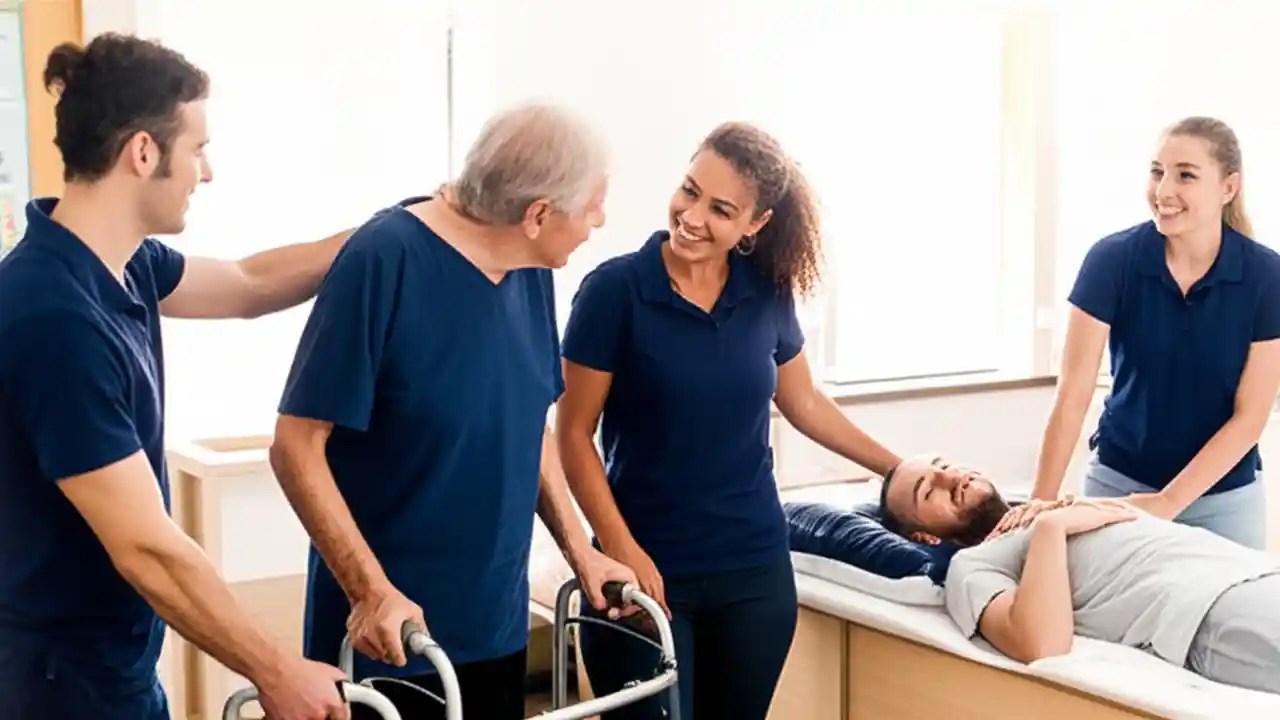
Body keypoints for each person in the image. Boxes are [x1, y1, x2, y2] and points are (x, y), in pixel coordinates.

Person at [0, 34, 356, 720]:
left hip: (113, 665)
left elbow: (250, 284)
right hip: (58, 685)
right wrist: (275, 669)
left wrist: (387, 231)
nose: (207, 171)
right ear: (142, 152)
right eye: (197, 149)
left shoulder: (118, 263)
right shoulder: (52, 317)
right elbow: (148, 548)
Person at [268, 102, 639, 720]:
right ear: (537, 214)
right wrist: (370, 590)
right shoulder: (383, 258)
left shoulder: (531, 267)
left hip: (493, 624)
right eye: (593, 205)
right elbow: (294, 445)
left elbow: (529, 422)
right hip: (388, 636)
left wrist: (582, 549)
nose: (599, 220)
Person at [557, 121, 905, 719]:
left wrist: (898, 468)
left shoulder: (768, 292)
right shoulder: (615, 291)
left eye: (720, 209)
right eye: (689, 190)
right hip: (645, 572)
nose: (691, 215)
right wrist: (620, 547)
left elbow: (804, 404)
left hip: (754, 575)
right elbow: (572, 435)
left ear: (755, 224)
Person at [1030, 116, 1280, 549]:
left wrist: (1167, 502)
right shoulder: (1112, 260)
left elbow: (1250, 417)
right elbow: (1072, 395)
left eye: (1185, 175)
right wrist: (1039, 505)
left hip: (1225, 499)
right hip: (1117, 485)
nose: (1164, 191)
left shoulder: (1266, 276)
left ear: (1228, 188)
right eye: (1157, 171)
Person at [879, 456, 1280, 696]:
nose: (950, 477)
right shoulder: (973, 566)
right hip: (1207, 608)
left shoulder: (1052, 507)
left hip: (1252, 569)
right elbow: (1039, 643)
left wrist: (1060, 510)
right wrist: (1052, 529)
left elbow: (1156, 508)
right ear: (925, 537)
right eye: (927, 491)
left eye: (943, 465)